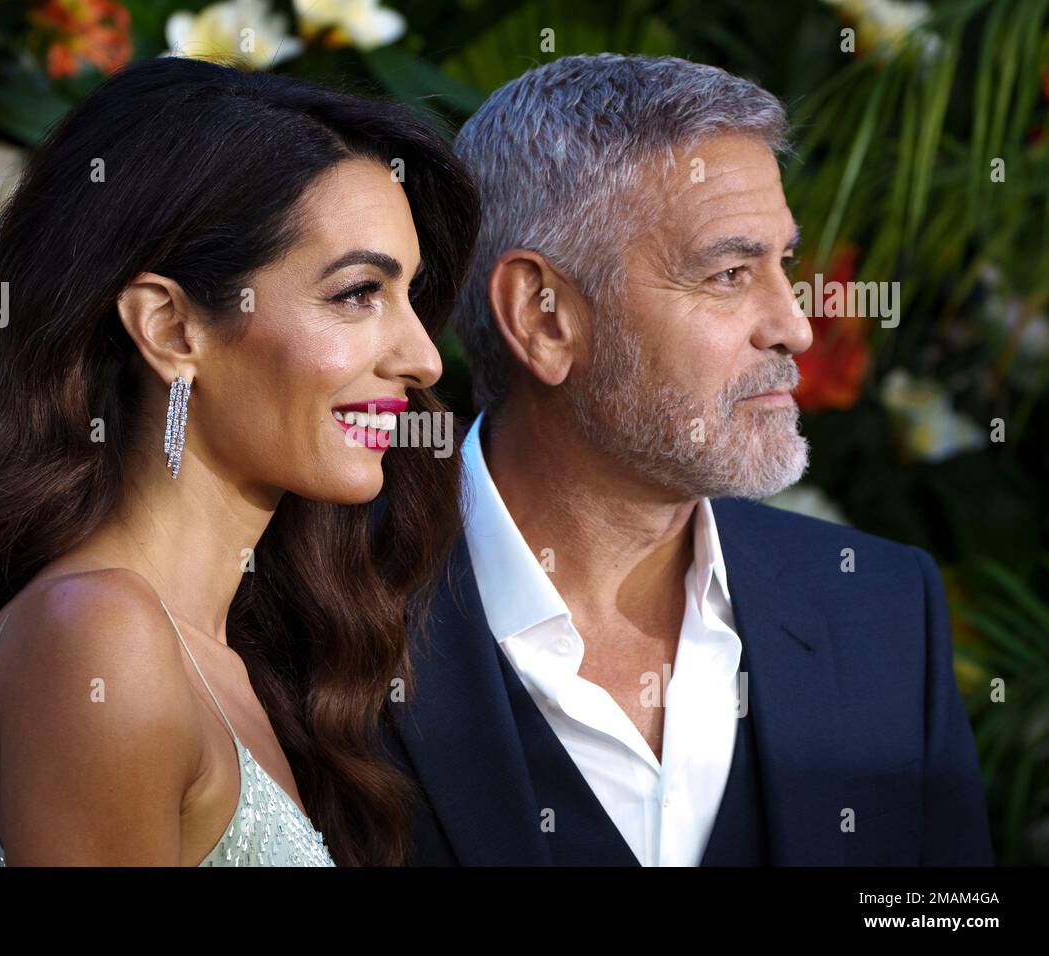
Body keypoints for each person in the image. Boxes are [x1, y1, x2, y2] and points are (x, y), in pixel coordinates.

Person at [0, 56, 478, 867]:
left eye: (411, 298)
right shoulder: (103, 640)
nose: (423, 358)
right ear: (171, 330)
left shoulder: (223, 654)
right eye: (358, 293)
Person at [382, 53, 994, 866]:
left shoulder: (882, 611)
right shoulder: (315, 616)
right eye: (730, 273)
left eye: (785, 264)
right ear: (544, 316)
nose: (795, 327)